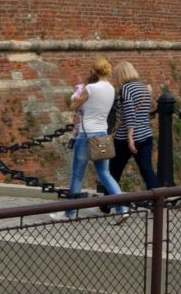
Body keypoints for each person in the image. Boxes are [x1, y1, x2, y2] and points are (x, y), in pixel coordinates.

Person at [66, 57, 126, 219]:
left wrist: (76, 96)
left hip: (86, 135)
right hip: (102, 134)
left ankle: (70, 213)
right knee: (105, 174)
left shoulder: (90, 88)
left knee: (77, 174)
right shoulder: (111, 88)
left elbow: (73, 106)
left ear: (94, 71)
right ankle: (122, 209)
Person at [109, 61, 161, 192]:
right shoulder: (144, 88)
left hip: (126, 139)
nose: (115, 78)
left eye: (116, 75)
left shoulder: (126, 89)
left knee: (114, 171)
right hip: (145, 135)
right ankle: (158, 199)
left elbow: (130, 114)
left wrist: (130, 138)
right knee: (147, 170)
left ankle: (108, 200)